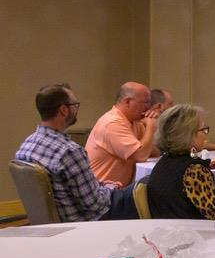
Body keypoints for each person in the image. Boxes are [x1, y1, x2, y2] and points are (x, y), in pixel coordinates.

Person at [15, 83, 135, 221]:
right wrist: (111, 188)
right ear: (63, 110)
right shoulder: (69, 152)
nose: (77, 109)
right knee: (142, 189)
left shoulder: (26, 145)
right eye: (75, 105)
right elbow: (96, 204)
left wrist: (100, 185)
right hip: (84, 224)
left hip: (52, 223)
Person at [87, 81, 161, 185]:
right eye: (145, 102)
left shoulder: (134, 122)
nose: (149, 107)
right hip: (103, 192)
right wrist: (150, 127)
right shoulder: (112, 123)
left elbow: (154, 152)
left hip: (119, 189)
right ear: (127, 102)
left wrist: (149, 126)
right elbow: (140, 156)